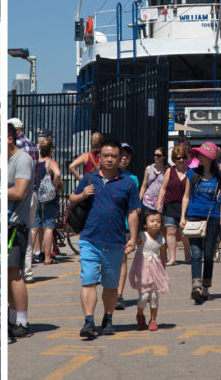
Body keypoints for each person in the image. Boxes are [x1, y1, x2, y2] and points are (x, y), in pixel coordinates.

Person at [69, 139, 140, 339]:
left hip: (115, 241)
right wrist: (83, 194)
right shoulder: (89, 178)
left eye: (114, 156)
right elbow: (72, 199)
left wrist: (133, 238)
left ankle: (108, 319)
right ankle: (89, 321)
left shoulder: (127, 183)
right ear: (99, 157)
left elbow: (133, 212)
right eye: (106, 156)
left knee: (110, 285)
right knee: (88, 281)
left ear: (120, 158)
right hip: (89, 239)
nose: (109, 159)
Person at [179, 141, 221, 304]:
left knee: (208, 255)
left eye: (203, 155)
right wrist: (182, 216)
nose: (200, 157)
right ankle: (196, 287)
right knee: (196, 254)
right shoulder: (192, 174)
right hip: (194, 216)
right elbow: (186, 196)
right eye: (199, 154)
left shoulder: (219, 177)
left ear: (211, 158)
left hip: (212, 219)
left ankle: (206, 288)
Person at [6, 121, 33, 338]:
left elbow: (19, 192)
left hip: (15, 224)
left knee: (14, 273)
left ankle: (22, 322)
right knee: (9, 274)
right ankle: (12, 318)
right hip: (8, 224)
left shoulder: (22, 159)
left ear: (9, 139)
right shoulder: (7, 160)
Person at [8, 118, 39, 284]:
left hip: (20, 198)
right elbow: (38, 171)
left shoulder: (19, 152)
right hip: (32, 192)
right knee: (28, 232)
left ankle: (24, 270)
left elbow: (19, 190)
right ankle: (27, 271)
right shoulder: (33, 145)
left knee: (23, 232)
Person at [129, 209, 169, 331]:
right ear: (145, 224)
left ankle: (153, 320)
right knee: (144, 297)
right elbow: (132, 244)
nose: (155, 223)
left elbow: (163, 256)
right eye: (152, 221)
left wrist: (163, 271)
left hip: (156, 270)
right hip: (143, 269)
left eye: (158, 221)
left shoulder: (161, 239)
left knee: (155, 296)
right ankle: (140, 314)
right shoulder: (142, 236)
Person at [155, 144, 192, 266]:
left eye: (183, 157)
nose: (181, 160)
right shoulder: (169, 171)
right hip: (170, 205)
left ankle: (187, 252)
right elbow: (163, 188)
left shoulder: (190, 172)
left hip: (185, 206)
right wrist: (159, 203)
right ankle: (172, 258)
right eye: (178, 158)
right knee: (170, 231)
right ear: (174, 159)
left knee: (184, 232)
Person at [116, 143, 140, 310]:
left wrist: (134, 233)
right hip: (109, 225)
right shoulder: (105, 176)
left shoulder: (133, 179)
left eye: (127, 156)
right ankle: (111, 290)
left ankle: (118, 295)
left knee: (123, 259)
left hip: (124, 225)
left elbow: (135, 205)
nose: (124, 158)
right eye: (122, 154)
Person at [31, 140, 62, 265]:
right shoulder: (51, 162)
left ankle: (29, 257)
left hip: (37, 197)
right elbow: (58, 174)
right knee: (48, 227)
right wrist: (53, 187)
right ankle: (48, 257)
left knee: (34, 228)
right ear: (51, 149)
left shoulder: (36, 163)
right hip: (49, 199)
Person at [139, 146, 168, 212]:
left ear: (164, 157)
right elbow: (144, 186)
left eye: (158, 155)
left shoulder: (167, 170)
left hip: (160, 203)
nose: (155, 157)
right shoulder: (149, 168)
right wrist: (138, 201)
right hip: (147, 201)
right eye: (154, 155)